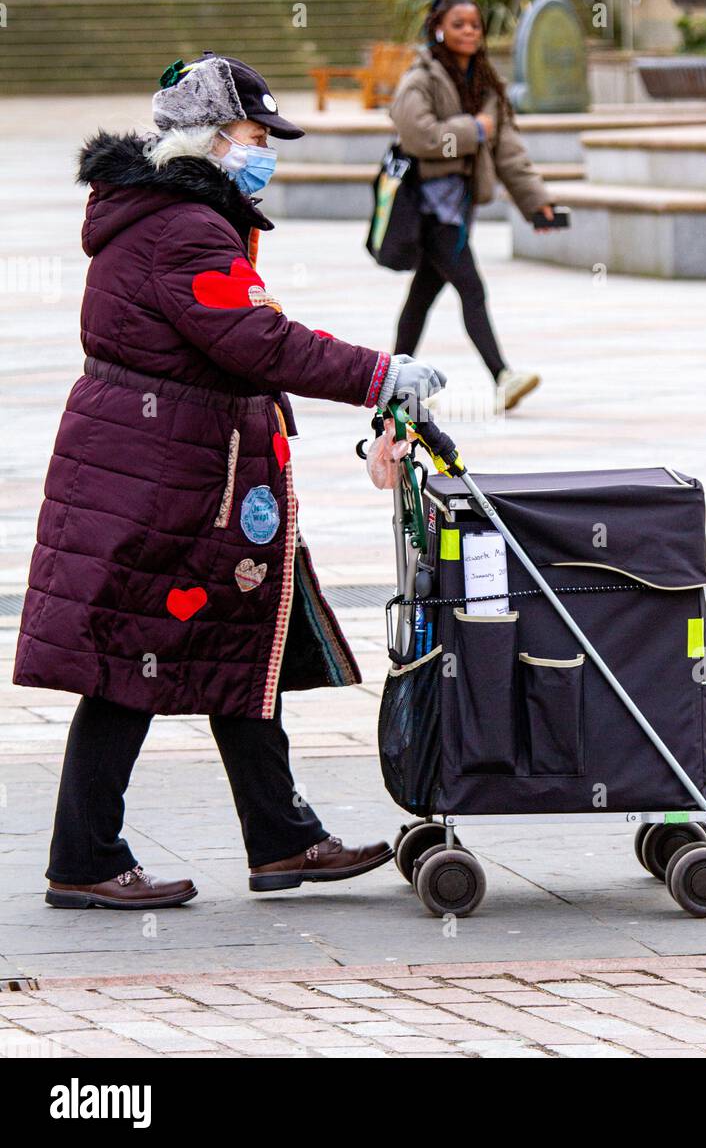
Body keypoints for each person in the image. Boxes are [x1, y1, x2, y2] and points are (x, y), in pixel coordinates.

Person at [14, 52, 445, 909]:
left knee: (237, 640)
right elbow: (257, 341)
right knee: (128, 660)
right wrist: (376, 375)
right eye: (254, 136)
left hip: (175, 463)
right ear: (213, 139)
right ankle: (86, 858)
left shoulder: (176, 212)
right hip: (164, 473)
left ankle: (282, 839)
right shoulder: (184, 225)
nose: (263, 152)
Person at [389, 0, 556, 412]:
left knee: (422, 296)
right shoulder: (421, 78)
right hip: (428, 209)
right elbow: (419, 137)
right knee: (472, 288)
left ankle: (390, 381)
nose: (469, 31)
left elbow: (509, 153)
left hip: (458, 209)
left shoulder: (484, 85)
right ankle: (503, 375)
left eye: (475, 25)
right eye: (459, 24)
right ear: (439, 28)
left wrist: (536, 203)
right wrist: (473, 131)